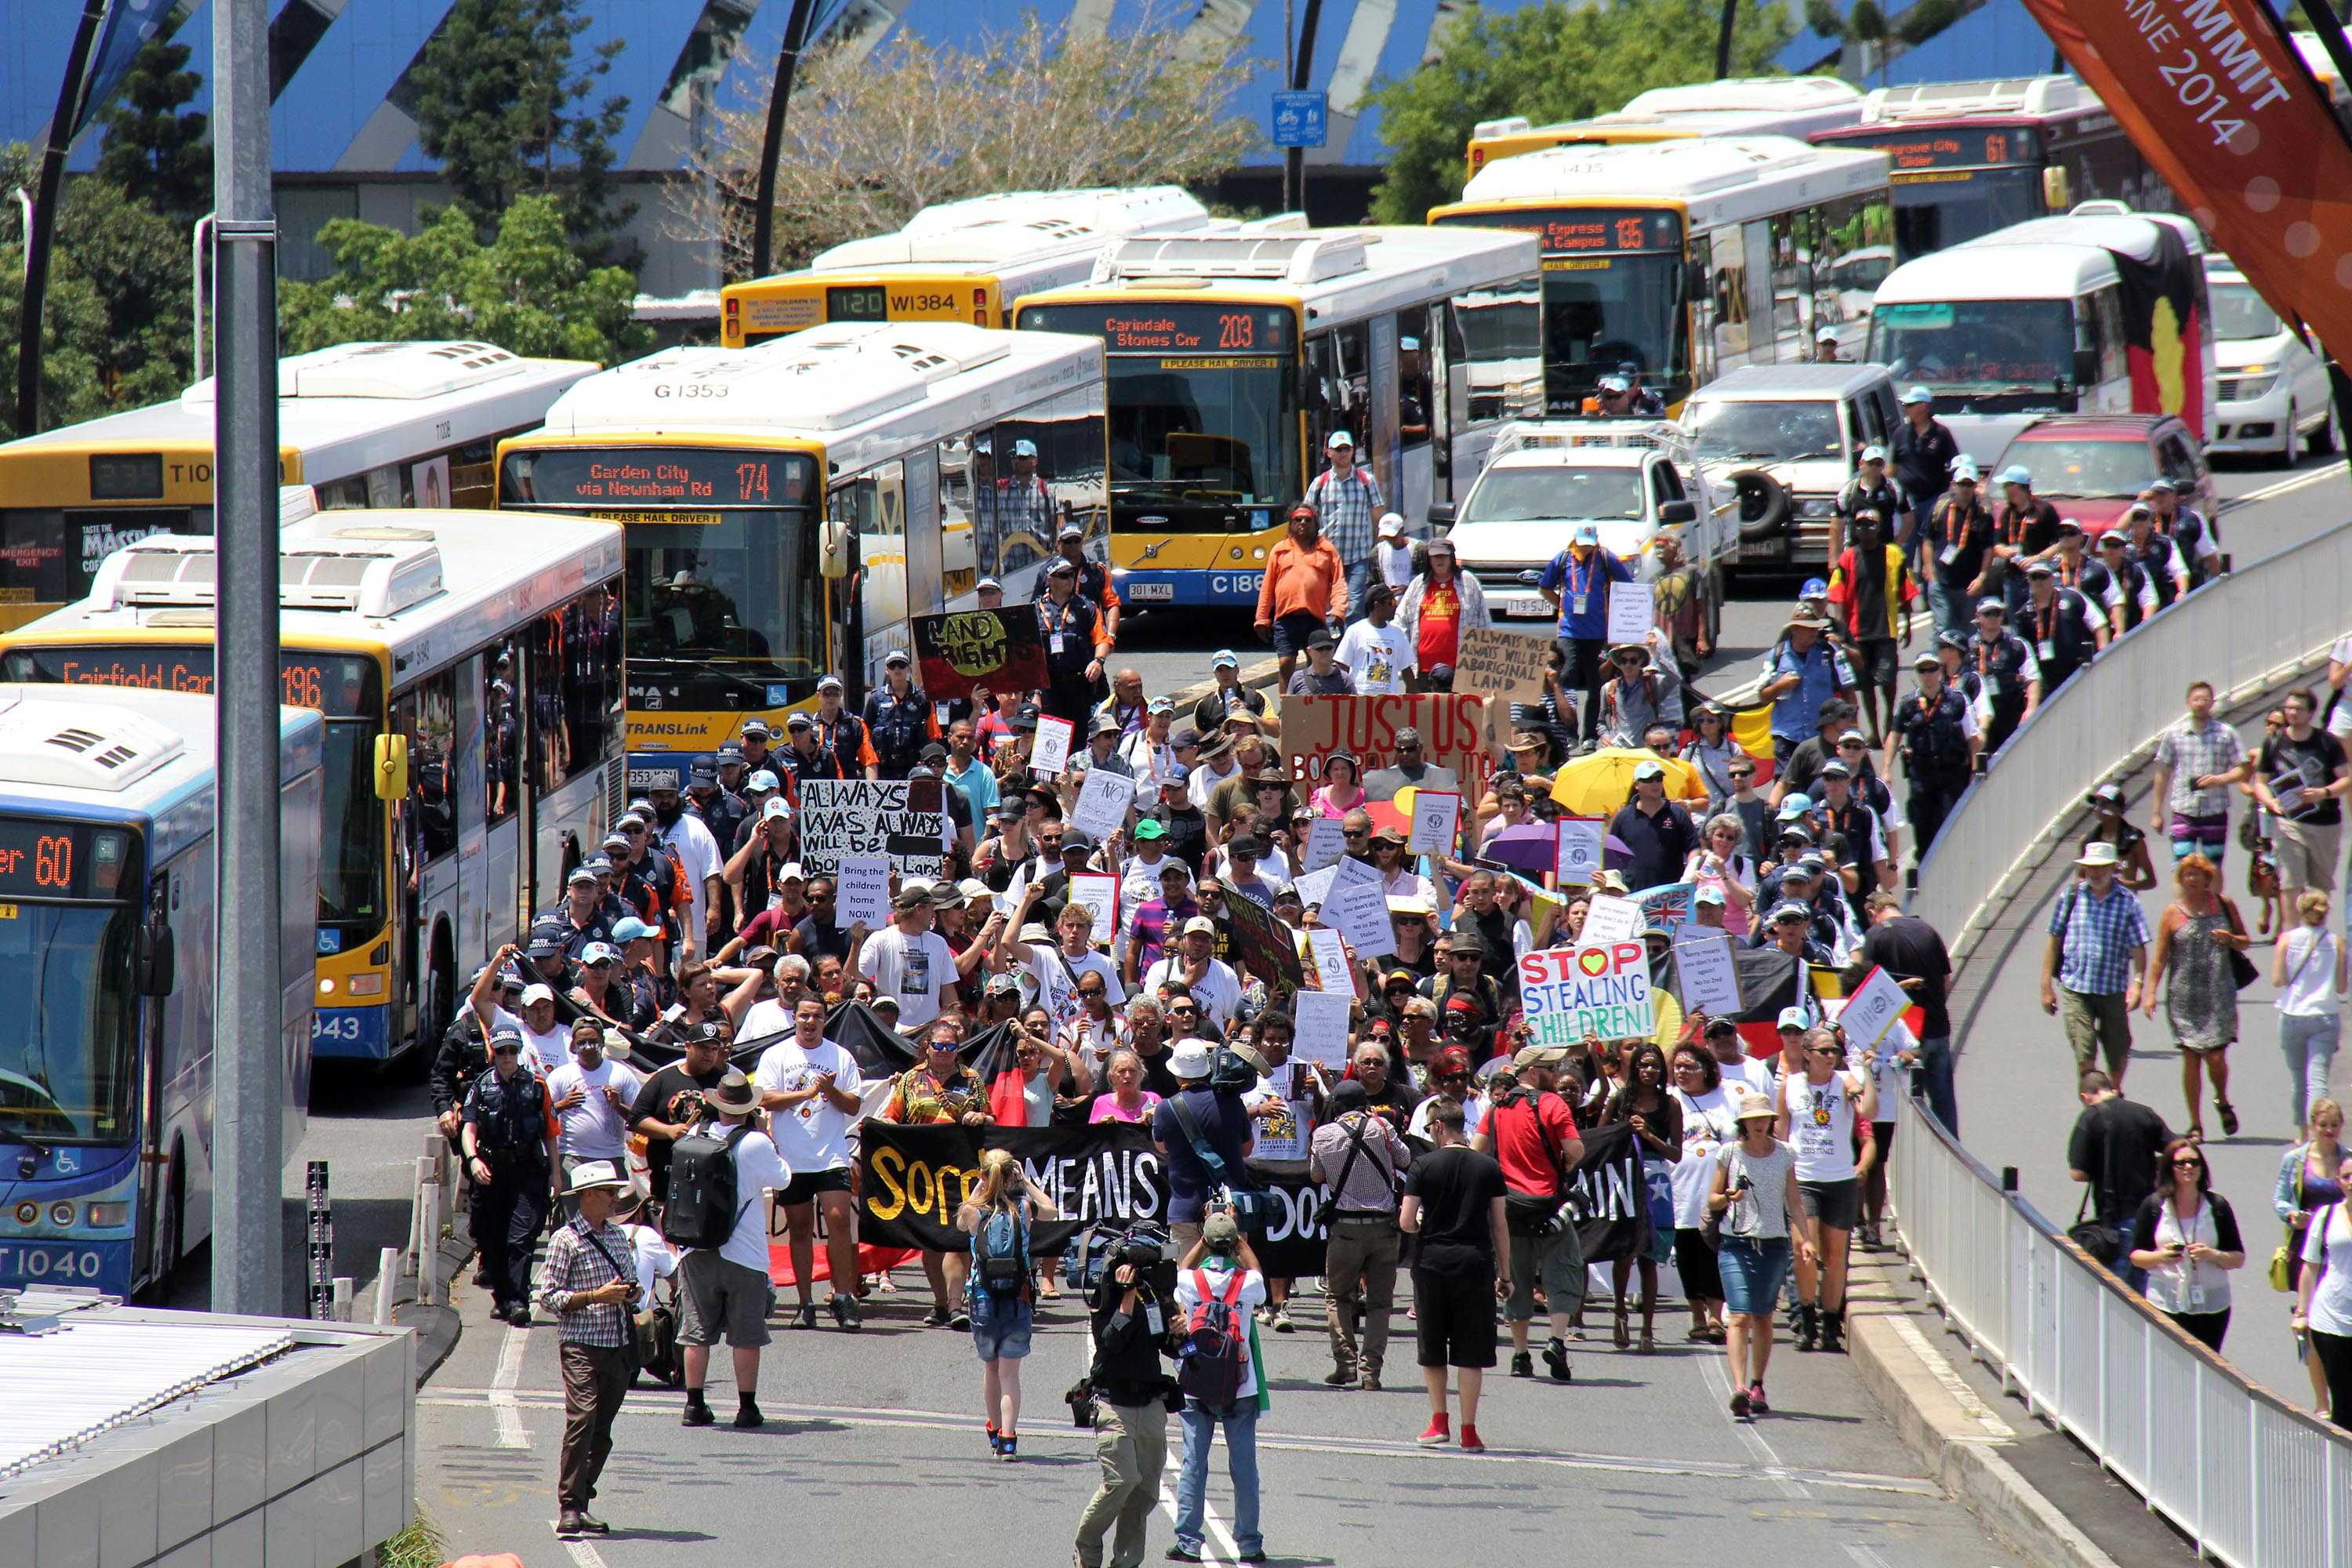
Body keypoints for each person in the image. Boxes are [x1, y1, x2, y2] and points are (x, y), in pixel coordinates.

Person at [670, 1069, 792, 1430]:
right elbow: (783, 1178)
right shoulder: (756, 1142)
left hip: (695, 1247)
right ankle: (746, 1408)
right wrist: (769, 1138)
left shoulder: (695, 1135)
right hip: (744, 1251)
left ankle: (694, 1404)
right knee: (746, 1334)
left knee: (695, 1331)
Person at [751, 993, 866, 1330]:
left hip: (831, 1155)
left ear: (825, 1020)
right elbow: (767, 1099)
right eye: (804, 1016)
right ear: (795, 1018)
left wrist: (830, 1092)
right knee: (799, 1230)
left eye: (816, 1016)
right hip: (793, 1157)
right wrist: (804, 1094)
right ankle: (805, 1303)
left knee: (839, 1222)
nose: (810, 1022)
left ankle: (844, 1297)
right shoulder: (777, 1055)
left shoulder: (839, 1056)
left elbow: (854, 1105)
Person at [1400, 1096, 1508, 1453]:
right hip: (1475, 1263)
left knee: (1432, 1346)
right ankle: (1469, 1429)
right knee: (1471, 1352)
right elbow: (1499, 1226)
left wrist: (1420, 1225)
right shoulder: (1489, 1167)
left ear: (1437, 1127)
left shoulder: (1423, 1165)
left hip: (1432, 1262)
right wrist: (1505, 1274)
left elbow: (1406, 1221)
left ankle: (1438, 1421)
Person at [538, 1159, 639, 1541]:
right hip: (580, 1342)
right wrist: (596, 1296)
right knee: (583, 1417)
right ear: (588, 1197)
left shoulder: (615, 1236)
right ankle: (568, 1505)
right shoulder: (566, 1240)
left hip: (616, 1343)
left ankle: (581, 1501)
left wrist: (630, 1293)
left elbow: (630, 1283)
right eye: (609, 1193)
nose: (616, 1199)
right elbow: (547, 1296)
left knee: (602, 1426)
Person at [1476, 1043, 1585, 1383]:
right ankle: (1556, 1339)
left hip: (1511, 1207)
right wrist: (1565, 1163)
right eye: (1550, 1069)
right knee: (1563, 1272)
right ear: (1534, 1072)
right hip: (1548, 1205)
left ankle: (1520, 1354)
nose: (1554, 1075)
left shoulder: (1496, 1109)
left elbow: (1478, 1150)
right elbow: (1575, 1149)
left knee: (1514, 1278)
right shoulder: (1552, 1103)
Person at [1074, 1225, 1179, 1568]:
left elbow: (1174, 1349)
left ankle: (1127, 1563)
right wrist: (1126, 1296)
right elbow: (1110, 1343)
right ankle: (1087, 1546)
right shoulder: (1107, 1292)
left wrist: (1183, 1335)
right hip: (1113, 1404)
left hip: (1150, 1405)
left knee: (1146, 1490)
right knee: (1121, 1481)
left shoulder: (1155, 1296)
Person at [1709, 1088, 1817, 1419]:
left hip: (1773, 1243)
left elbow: (1794, 1200)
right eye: (1751, 1119)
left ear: (1771, 1121)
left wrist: (1806, 1239)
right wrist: (1728, 1196)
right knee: (1739, 1316)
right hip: (1736, 1242)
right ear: (1743, 1124)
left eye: (1763, 1118)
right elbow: (1712, 1200)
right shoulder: (1729, 1153)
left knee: (1764, 1317)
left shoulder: (1784, 1153)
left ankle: (1758, 1383)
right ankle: (1740, 1387)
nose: (1758, 1124)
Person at [883, 1022, 992, 1327]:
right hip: (922, 1172)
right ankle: (941, 1302)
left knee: (957, 1237)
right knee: (931, 1239)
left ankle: (958, 1304)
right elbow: (892, 1117)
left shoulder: (972, 1079)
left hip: (961, 1171)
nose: (944, 1052)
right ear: (927, 1047)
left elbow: (992, 1117)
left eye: (951, 1047)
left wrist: (980, 1116)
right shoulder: (910, 1079)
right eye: (939, 1046)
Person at [956, 1146, 1062, 1460]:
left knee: (991, 1370)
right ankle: (1009, 1438)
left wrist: (981, 1184)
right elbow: (1052, 1210)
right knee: (1010, 1374)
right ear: (1011, 1174)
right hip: (1019, 1296)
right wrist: (1026, 1181)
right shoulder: (1024, 1209)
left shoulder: (975, 1212)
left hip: (982, 1297)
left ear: (984, 1175)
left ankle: (993, 1431)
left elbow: (961, 1223)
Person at [1309, 1077, 1411, 1390]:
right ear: (1364, 1105)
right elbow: (1405, 1160)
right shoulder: (1382, 1128)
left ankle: (1345, 1363)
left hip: (1346, 1229)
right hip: (1384, 1227)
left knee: (1338, 1296)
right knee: (1380, 1303)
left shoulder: (1323, 1135)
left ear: (1336, 1107)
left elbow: (1316, 1175)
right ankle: (1371, 1372)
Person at [1778, 1025, 1874, 1352]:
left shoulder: (1845, 1081)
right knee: (1804, 1250)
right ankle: (1806, 1319)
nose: (1831, 1056)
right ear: (1807, 1054)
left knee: (1836, 1256)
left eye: (1835, 1050)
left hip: (1839, 1179)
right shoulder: (1790, 1085)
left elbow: (1869, 1112)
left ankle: (1831, 1323)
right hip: (1804, 1177)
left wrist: (1868, 1076)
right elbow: (1781, 1132)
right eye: (1824, 1051)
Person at [2144, 854, 2250, 1142]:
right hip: (2184, 995)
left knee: (2216, 1057)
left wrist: (2230, 939)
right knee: (2191, 1058)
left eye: (2197, 875)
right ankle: (2195, 1123)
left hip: (2218, 991)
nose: (2191, 880)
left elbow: (2245, 940)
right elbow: (2160, 957)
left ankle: (2222, 1098)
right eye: (2186, 875)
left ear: (2207, 878)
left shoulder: (2224, 905)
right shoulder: (2172, 912)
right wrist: (2150, 992)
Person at [460, 1028, 558, 1326]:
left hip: (526, 1170)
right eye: (501, 1052)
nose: (507, 1058)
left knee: (522, 1236)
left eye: (512, 1052)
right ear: (494, 1054)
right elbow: (469, 1128)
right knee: (492, 1238)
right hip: (491, 1171)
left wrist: (556, 1174)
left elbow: (551, 1134)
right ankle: (504, 1298)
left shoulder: (537, 1087)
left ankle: (518, 1299)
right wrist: (473, 1159)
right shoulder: (480, 1087)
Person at [2042, 842, 2151, 1084]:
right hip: (2076, 986)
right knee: (2084, 1049)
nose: (2096, 873)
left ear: (2113, 868)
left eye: (2101, 867)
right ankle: (2093, 1100)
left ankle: (2113, 1095)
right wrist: (2046, 986)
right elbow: (2053, 939)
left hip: (2112, 989)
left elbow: (2138, 947)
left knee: (2117, 1050)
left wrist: (2137, 983)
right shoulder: (2071, 897)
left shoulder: (2128, 901)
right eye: (2090, 867)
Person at [2127, 1136, 2246, 1350]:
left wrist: (2212, 1254)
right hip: (2165, 1302)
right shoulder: (2153, 1206)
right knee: (2167, 1365)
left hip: (2211, 1306)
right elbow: (2136, 1256)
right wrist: (2160, 1257)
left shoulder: (2217, 1207)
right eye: (2180, 1163)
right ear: (2169, 1168)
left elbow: (2238, 1258)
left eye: (2194, 1162)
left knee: (2209, 1366)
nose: (2188, 1167)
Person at [1603, 1041, 1681, 1352]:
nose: (1649, 1071)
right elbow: (1600, 1139)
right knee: (1623, 1254)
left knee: (1649, 1260)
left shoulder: (1670, 1104)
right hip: (1625, 1180)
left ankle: (1647, 1330)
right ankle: (1620, 1311)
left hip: (1656, 1183)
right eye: (1643, 1065)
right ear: (1633, 1068)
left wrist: (1649, 1136)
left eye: (1655, 1066)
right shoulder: (1620, 1100)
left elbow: (1676, 1153)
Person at [2067, 1069, 2174, 1294]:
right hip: (2153, 1212)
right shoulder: (2144, 1113)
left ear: (2086, 1096)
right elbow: (2176, 1149)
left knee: (2119, 1293)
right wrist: (2153, 1163)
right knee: (2148, 1286)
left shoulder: (2090, 1117)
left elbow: (2078, 1173)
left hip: (2115, 1215)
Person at [1153, 1040, 1254, 1257]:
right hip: (1230, 1210)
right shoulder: (1234, 1103)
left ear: (1177, 1073)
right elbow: (1247, 1149)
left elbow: (1161, 1147)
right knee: (1232, 1284)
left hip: (1184, 1211)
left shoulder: (1165, 1108)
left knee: (1188, 1282)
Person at [2278, 1102, 2347, 1414]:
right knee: (2311, 1324)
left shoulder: (2347, 1161)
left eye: (2334, 1124)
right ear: (2313, 1126)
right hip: (2308, 1248)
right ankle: (2322, 1401)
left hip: (2342, 1249)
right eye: (2323, 1125)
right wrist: (2292, 1215)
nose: (2329, 1130)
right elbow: (2279, 1198)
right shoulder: (2296, 1160)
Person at [1537, 523, 1634, 746]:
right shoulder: (1562, 559)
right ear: (1575, 539)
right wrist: (1560, 604)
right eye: (1582, 544)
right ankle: (1568, 732)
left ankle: (1589, 735)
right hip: (1569, 631)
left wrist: (1621, 624)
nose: (1586, 548)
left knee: (1594, 682)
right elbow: (1544, 587)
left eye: (1590, 545)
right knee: (1566, 674)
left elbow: (1628, 587)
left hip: (1598, 632)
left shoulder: (1606, 558)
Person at [1825, 507, 1917, 742]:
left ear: (1879, 528)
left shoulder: (1893, 554)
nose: (1865, 529)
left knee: (1888, 680)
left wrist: (1908, 623)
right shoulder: (1848, 558)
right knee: (1865, 684)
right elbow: (1836, 592)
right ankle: (1874, 730)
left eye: (1870, 525)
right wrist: (1840, 629)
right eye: (1861, 525)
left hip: (1886, 629)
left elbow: (1905, 589)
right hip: (1857, 632)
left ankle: (1888, 721)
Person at [2254, 687, 2350, 911]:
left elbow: (2346, 780)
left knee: (2319, 890)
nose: (2291, 713)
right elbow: (2260, 782)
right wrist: (2271, 802)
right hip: (2288, 823)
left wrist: (2323, 792)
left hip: (2324, 824)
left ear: (2311, 713)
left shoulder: (2327, 742)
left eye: (2298, 709)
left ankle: (2316, 937)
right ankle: (2290, 939)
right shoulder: (2273, 742)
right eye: (2288, 708)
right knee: (2290, 885)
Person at [1667, 1043, 1734, 1343]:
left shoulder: (1727, 1098)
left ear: (1706, 1070)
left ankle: (1716, 1317)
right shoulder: (1669, 1099)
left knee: (1714, 1254)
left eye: (1688, 1067)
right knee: (1687, 1255)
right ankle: (1697, 1315)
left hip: (1717, 1192)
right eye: (1678, 1067)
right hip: (1680, 1190)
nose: (1681, 1072)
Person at [2150, 680, 2252, 869]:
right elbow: (2162, 773)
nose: (2200, 703)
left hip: (2215, 808)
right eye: (2196, 699)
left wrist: (2220, 779)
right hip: (2183, 808)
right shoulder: (2174, 734)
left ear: (2213, 702)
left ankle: (2213, 899)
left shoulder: (2226, 733)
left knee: (2213, 866)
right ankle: (2182, 901)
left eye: (2205, 699)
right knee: (2182, 866)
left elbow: (2244, 768)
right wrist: (2156, 813)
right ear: (2188, 702)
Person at [1254, 504, 1349, 691]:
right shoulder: (1279, 550)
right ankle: (1287, 709)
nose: (1303, 523)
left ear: (1316, 524)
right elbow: (1267, 587)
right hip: (1285, 619)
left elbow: (1339, 583)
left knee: (1317, 664)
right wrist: (1262, 618)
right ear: (1290, 524)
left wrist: (1338, 611)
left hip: (1315, 618)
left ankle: (1311, 705)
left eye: (1308, 520)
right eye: (1298, 520)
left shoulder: (1327, 550)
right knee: (1285, 663)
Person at [546, 1026, 644, 1206]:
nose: (588, 1047)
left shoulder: (621, 1073)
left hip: (612, 1157)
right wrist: (563, 1104)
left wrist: (617, 1105)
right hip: (572, 1157)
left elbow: (640, 1119)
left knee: (612, 1216)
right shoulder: (560, 1076)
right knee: (574, 1218)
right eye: (582, 1043)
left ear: (603, 1043)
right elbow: (543, 1115)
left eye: (593, 1042)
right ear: (573, 1046)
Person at [2276, 893, 2349, 1129]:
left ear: (2300, 911)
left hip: (2293, 1014)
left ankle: (2301, 1131)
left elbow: (2278, 979)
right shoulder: (2336, 942)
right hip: (2325, 1015)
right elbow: (2340, 986)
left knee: (2298, 1079)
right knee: (2317, 1081)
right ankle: (2320, 1131)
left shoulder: (2287, 940)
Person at [2295, 1152, 2352, 1425]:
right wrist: (2301, 1312)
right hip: (2332, 1319)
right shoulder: (2327, 1215)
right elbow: (2311, 1265)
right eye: (2346, 1177)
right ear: (2338, 1182)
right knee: (2343, 1400)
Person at [1305, 429, 1385, 612]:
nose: (1343, 453)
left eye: (1347, 449)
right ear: (1329, 453)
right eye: (1339, 449)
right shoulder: (1319, 483)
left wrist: (1379, 547)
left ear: (1353, 451)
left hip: (1358, 556)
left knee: (1354, 605)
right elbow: (1306, 516)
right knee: (1326, 603)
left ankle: (1349, 641)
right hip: (1327, 556)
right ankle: (1331, 640)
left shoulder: (1367, 481)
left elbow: (1378, 515)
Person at [1396, 535, 1487, 684]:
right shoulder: (1418, 583)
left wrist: (1483, 664)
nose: (1440, 560)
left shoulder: (1468, 582)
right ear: (1428, 559)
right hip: (1422, 671)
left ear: (1451, 557)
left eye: (1444, 555)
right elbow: (1400, 621)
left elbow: (1484, 624)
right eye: (1435, 556)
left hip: (1460, 670)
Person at [1890, 386, 1961, 557]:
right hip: (1906, 502)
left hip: (1933, 500)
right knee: (1904, 548)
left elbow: (1955, 464)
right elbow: (1893, 467)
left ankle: (1926, 582)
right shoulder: (1900, 433)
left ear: (1924, 406)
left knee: (1929, 546)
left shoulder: (1942, 434)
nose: (1906, 409)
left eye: (1910, 405)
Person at [1610, 757, 1697, 894]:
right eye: (1649, 780)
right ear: (1637, 785)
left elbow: (1694, 848)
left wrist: (1689, 875)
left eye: (1658, 779)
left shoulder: (1678, 814)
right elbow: (1612, 856)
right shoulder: (1623, 817)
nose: (1655, 783)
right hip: (1632, 893)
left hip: (1670, 893)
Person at [1335, 583, 1415, 695]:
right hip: (1360, 700)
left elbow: (1407, 671)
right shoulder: (1355, 631)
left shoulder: (1398, 634)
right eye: (1391, 603)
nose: (1395, 606)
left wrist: (1410, 703)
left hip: (1389, 702)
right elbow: (1342, 668)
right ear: (1377, 605)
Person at [1374, 511, 1415, 593]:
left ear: (1402, 530)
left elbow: (1426, 580)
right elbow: (1372, 582)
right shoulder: (1378, 552)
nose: (1390, 540)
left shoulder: (1417, 549)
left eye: (1393, 537)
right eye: (1386, 537)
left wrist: (1408, 588)